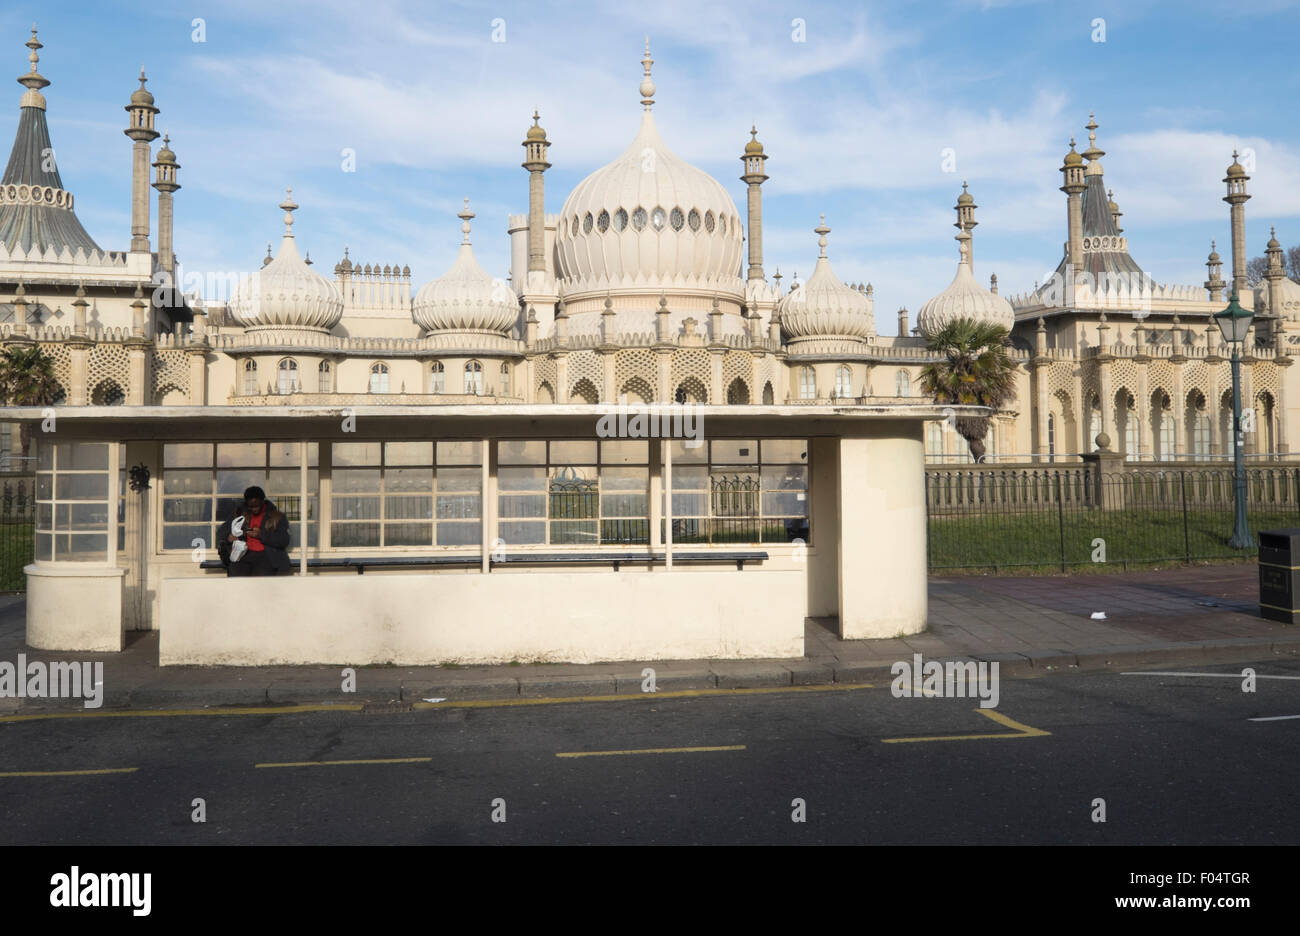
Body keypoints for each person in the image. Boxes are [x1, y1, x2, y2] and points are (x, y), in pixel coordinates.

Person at [216, 486, 292, 576]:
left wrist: (261, 535)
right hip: (243, 554)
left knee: (260, 582)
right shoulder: (240, 514)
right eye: (251, 507)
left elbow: (284, 540)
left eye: (257, 506)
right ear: (247, 504)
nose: (254, 509)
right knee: (236, 578)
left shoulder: (276, 516)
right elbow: (221, 532)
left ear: (263, 501)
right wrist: (229, 537)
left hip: (267, 556)